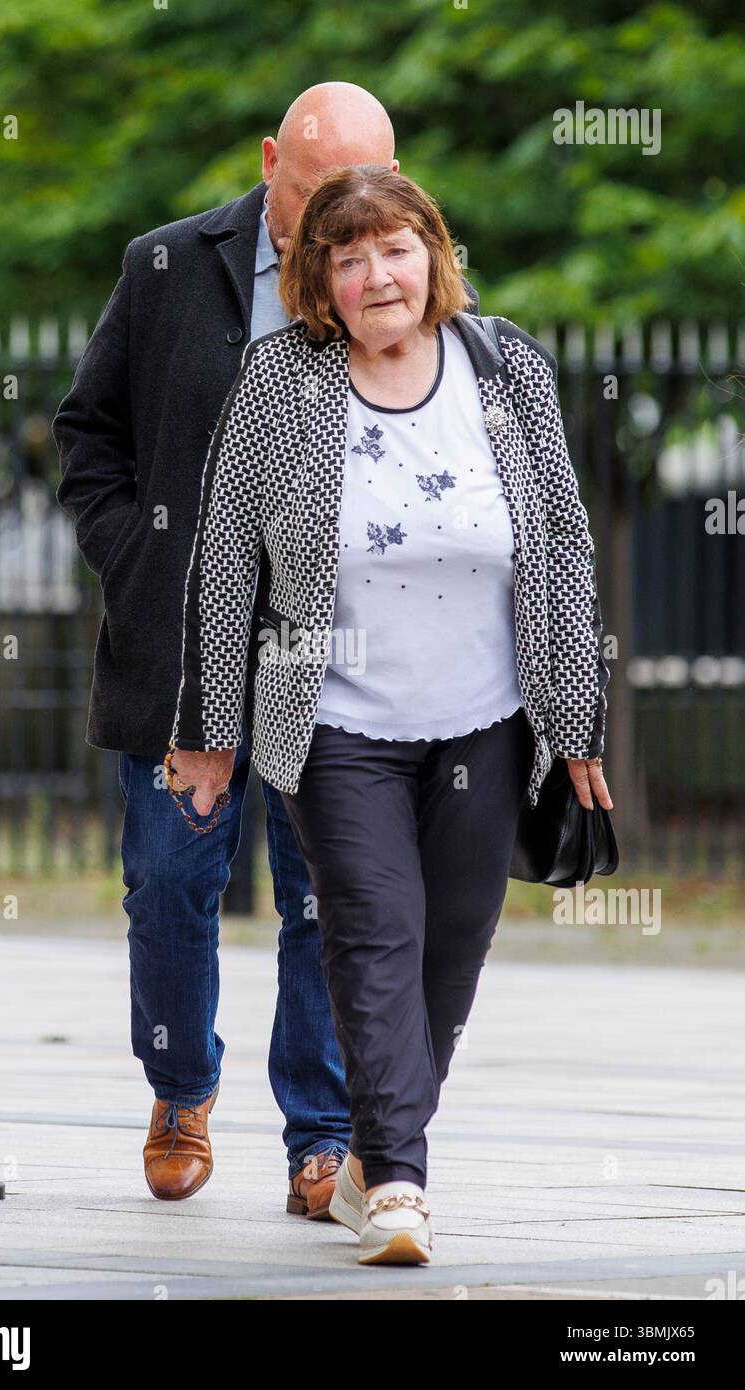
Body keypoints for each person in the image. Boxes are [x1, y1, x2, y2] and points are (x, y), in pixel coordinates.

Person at [168, 164, 613, 1265]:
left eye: (397, 248)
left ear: (433, 255)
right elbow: (225, 560)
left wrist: (576, 716)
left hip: (484, 718)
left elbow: (560, 539)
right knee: (371, 930)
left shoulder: (503, 364)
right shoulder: (281, 383)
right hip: (334, 719)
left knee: (450, 948)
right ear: (319, 278)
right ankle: (401, 1182)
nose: (378, 276)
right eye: (349, 256)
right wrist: (208, 728)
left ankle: (372, 1151)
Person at [54, 84, 485, 1217]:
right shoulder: (163, 267)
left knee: (325, 900)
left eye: (355, 196)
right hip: (172, 650)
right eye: (306, 194)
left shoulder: (388, 289)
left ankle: (320, 1134)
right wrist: (136, 560)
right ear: (265, 163)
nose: (327, 222)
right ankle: (180, 1086)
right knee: (167, 882)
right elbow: (85, 430)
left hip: (328, 654)